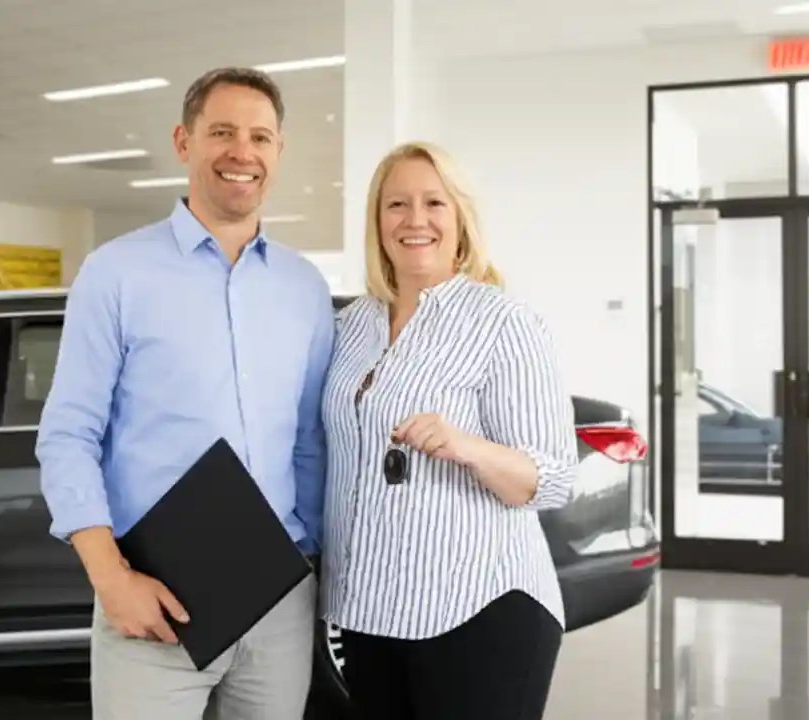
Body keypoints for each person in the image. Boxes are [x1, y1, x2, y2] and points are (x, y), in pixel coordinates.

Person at [35, 67, 335, 720]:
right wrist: (111, 579)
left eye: (260, 136)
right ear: (183, 142)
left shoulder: (303, 287)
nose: (242, 152)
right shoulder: (117, 273)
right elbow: (67, 435)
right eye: (221, 132)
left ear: (278, 152)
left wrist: (307, 564)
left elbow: (308, 442)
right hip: (155, 591)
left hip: (278, 597)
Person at [319, 141, 579, 720]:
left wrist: (468, 446)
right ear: (376, 222)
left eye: (434, 203)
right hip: (369, 612)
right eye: (397, 205)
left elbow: (556, 479)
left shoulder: (503, 323)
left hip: (478, 608)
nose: (415, 220)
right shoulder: (350, 326)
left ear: (459, 219)